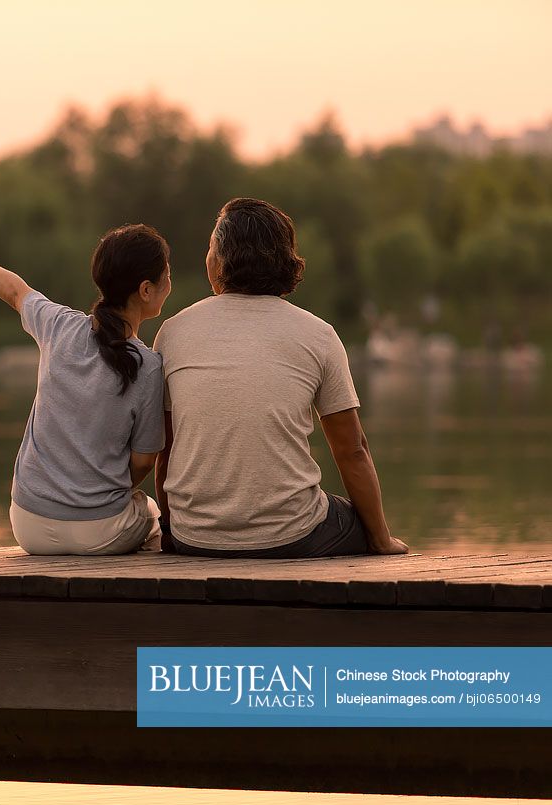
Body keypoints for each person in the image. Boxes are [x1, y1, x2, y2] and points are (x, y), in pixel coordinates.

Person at [153, 198, 408, 558]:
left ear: (222, 261)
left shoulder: (172, 332)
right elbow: (352, 450)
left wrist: (170, 527)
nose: (207, 257)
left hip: (193, 536)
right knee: (356, 520)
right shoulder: (318, 334)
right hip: (292, 535)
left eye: (211, 248)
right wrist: (380, 539)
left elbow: (166, 449)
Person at [0, 225, 172, 555]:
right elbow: (145, 461)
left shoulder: (58, 326)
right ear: (146, 290)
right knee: (151, 516)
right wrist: (98, 495)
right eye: (167, 275)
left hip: (28, 523)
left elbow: (15, 291)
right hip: (100, 532)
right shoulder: (148, 366)